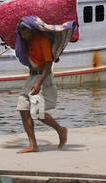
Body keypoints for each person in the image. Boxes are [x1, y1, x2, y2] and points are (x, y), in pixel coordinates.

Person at [16, 26, 68, 154]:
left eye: (23, 32)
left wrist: (39, 83)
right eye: (20, 33)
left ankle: (61, 130)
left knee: (37, 112)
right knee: (23, 108)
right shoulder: (25, 42)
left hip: (42, 78)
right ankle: (33, 145)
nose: (22, 35)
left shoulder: (42, 40)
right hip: (31, 77)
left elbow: (48, 63)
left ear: (31, 29)